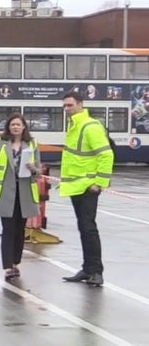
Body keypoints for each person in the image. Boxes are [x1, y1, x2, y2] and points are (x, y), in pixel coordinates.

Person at [60, 90, 114, 286]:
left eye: (70, 105)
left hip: (87, 187)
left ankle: (96, 272)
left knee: (89, 228)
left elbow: (106, 155)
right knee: (84, 228)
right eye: (65, 105)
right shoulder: (75, 125)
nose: (67, 109)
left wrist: (99, 182)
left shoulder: (89, 126)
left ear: (80, 104)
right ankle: (88, 269)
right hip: (77, 186)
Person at [0, 114, 41, 281]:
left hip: (25, 193)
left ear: (23, 127)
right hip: (5, 193)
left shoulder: (32, 144)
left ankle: (16, 263)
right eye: (12, 124)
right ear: (8, 127)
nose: (15, 127)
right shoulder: (0, 144)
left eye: (18, 124)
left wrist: (33, 168)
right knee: (8, 230)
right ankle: (8, 266)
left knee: (20, 230)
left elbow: (38, 172)